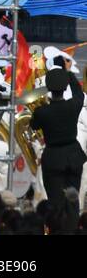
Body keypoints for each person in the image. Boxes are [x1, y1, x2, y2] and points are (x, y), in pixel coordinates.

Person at [31, 66, 87, 203]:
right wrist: (69, 73)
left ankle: (57, 222)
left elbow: (33, 125)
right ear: (65, 87)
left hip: (53, 157)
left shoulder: (42, 111)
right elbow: (79, 94)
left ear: (48, 88)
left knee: (55, 200)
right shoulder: (73, 105)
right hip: (73, 156)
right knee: (73, 200)